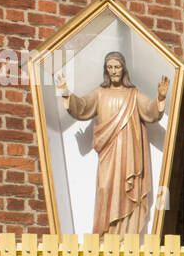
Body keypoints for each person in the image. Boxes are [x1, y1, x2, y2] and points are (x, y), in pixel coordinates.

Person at [56, 51, 169, 235]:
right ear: (106, 70)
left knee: (128, 191)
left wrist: (161, 98)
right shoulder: (100, 93)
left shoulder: (133, 94)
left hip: (129, 153)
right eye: (110, 67)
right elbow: (83, 106)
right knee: (105, 189)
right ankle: (103, 234)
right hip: (108, 151)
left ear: (123, 69)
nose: (114, 71)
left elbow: (150, 111)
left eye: (117, 67)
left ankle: (127, 236)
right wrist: (67, 94)